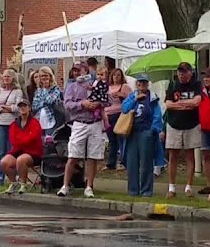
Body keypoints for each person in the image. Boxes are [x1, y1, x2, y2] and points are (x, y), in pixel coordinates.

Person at [58, 62, 108, 197]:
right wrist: (82, 104)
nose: (76, 73)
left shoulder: (96, 84)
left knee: (93, 156)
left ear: (86, 71)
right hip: (79, 123)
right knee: (73, 154)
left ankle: (89, 186)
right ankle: (66, 185)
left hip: (95, 122)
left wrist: (97, 103)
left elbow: (106, 99)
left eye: (79, 70)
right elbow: (67, 104)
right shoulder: (71, 87)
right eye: (74, 70)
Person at [163, 62, 202, 198]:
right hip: (174, 124)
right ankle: (171, 187)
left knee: (190, 156)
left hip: (191, 125)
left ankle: (189, 187)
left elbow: (196, 101)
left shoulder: (196, 84)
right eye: (180, 72)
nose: (181, 74)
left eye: (184, 72)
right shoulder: (173, 85)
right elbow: (168, 104)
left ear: (190, 73)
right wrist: (185, 105)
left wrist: (178, 104)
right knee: (173, 155)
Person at [123, 77, 157, 197]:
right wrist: (135, 100)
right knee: (132, 163)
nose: (142, 85)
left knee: (146, 163)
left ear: (147, 84)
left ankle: (146, 191)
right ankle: (133, 190)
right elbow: (124, 109)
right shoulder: (132, 96)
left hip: (146, 132)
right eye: (140, 83)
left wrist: (153, 130)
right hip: (132, 133)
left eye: (144, 83)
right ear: (136, 84)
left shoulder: (152, 98)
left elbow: (157, 115)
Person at [2, 99, 44, 194]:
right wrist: (23, 139)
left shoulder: (35, 123)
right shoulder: (14, 124)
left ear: (29, 108)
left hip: (33, 153)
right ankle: (13, 183)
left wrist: (21, 139)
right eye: (20, 106)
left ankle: (23, 185)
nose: (22, 108)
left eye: (25, 106)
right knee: (4, 162)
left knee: (21, 160)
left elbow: (33, 138)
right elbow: (13, 140)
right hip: (18, 151)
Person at [0, 69, 23, 185]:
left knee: (12, 151)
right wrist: (9, 108)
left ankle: (13, 177)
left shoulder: (17, 91)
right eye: (4, 76)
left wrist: (5, 107)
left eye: (8, 77)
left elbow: (18, 108)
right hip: (0, 123)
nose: (6, 79)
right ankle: (0, 176)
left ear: (13, 78)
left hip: (13, 124)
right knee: (1, 152)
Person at [103, 68, 133, 170]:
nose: (116, 77)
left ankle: (123, 162)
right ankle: (111, 163)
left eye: (118, 75)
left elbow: (132, 99)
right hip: (107, 115)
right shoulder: (107, 87)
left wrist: (122, 95)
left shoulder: (124, 87)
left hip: (119, 114)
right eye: (114, 75)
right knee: (112, 140)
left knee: (121, 139)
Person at [30, 67, 62, 135]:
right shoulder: (38, 90)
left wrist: (44, 89)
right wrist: (44, 103)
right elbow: (34, 106)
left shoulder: (55, 89)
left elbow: (50, 101)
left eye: (46, 75)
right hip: (38, 121)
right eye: (42, 76)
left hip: (51, 121)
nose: (44, 77)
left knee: (49, 143)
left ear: (50, 76)